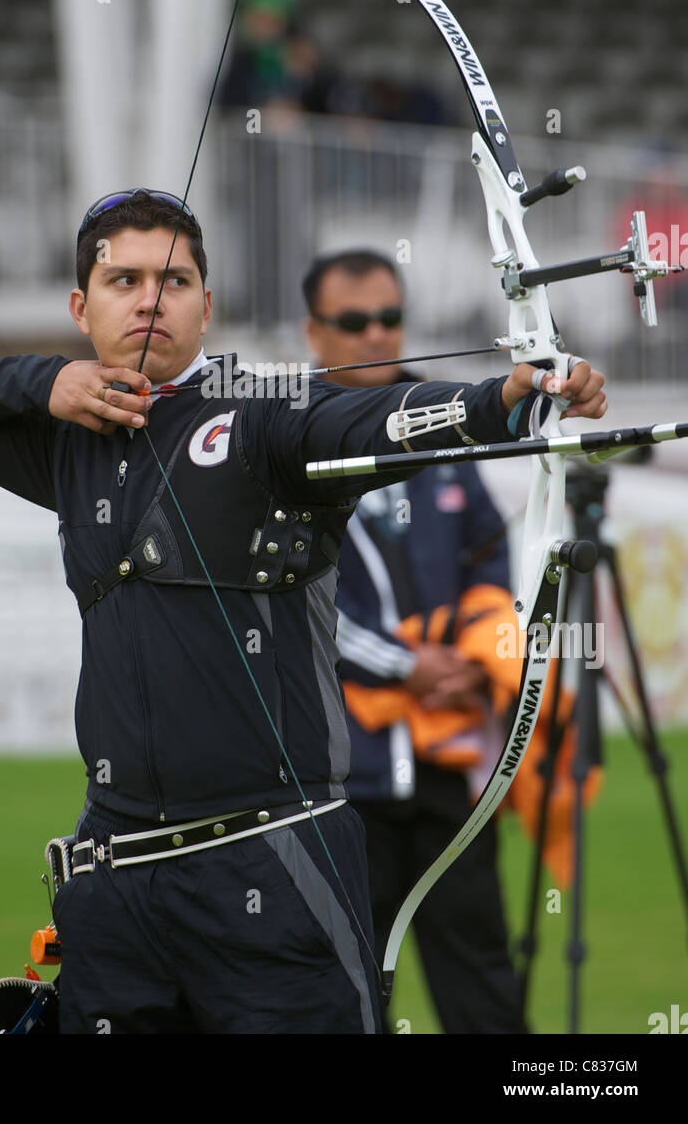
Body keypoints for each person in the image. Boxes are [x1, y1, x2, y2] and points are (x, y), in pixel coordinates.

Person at [0, 190, 606, 1034]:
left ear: (206, 305)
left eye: (174, 279)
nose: (151, 298)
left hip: (271, 861)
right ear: (80, 308)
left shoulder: (263, 410)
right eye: (123, 280)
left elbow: (385, 415)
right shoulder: (66, 434)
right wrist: (48, 380)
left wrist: (507, 398)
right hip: (117, 883)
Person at [303, 248, 532, 1033]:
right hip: (343, 782)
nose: (375, 335)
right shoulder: (287, 439)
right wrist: (407, 664)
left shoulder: (445, 429)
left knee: (484, 988)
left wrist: (475, 657)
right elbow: (304, 601)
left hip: (450, 767)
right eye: (353, 321)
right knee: (345, 999)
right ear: (313, 332)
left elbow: (487, 560)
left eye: (389, 318)